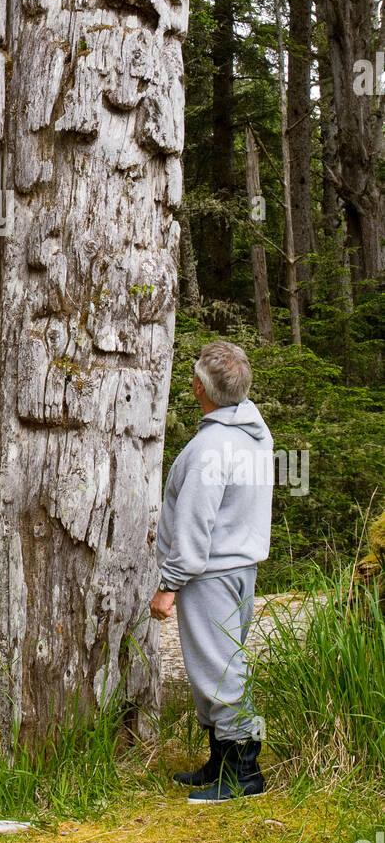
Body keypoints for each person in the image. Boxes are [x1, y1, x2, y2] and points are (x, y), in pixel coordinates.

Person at [150, 341, 274, 802]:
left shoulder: (211, 447)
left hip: (211, 572)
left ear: (200, 388)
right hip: (239, 566)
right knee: (223, 665)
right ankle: (222, 762)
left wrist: (169, 583)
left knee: (220, 672)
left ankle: (244, 773)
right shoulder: (254, 434)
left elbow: (194, 521)